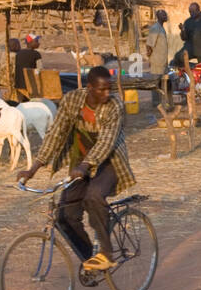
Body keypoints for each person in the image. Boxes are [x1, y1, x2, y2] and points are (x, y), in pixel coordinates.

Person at [16, 66, 136, 271]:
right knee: (64, 216)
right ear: (89, 88)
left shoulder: (115, 106)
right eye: (101, 90)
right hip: (79, 164)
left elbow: (106, 142)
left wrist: (84, 166)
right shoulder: (72, 101)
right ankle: (90, 259)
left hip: (109, 162)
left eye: (109, 89)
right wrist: (33, 169)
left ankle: (106, 254)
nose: (107, 94)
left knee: (93, 196)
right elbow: (56, 134)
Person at [145, 9, 169, 91]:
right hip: (156, 62)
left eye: (166, 15)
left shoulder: (161, 28)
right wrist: (150, 60)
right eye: (163, 15)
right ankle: (156, 102)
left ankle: (161, 102)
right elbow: (149, 45)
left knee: (162, 84)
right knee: (156, 84)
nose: (166, 16)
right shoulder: (155, 28)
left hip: (162, 62)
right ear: (158, 17)